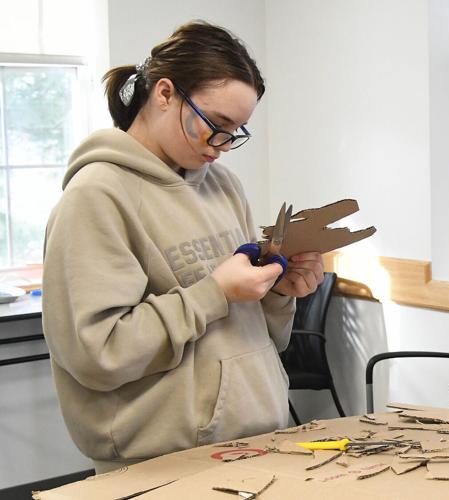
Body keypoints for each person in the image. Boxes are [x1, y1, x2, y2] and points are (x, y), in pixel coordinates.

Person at [42, 21, 324, 473]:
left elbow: (258, 334)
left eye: (237, 131)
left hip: (253, 443)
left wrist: (276, 291)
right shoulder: (96, 196)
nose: (223, 146)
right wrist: (215, 292)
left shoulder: (224, 186)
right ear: (165, 94)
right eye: (217, 124)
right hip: (159, 463)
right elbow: (97, 353)